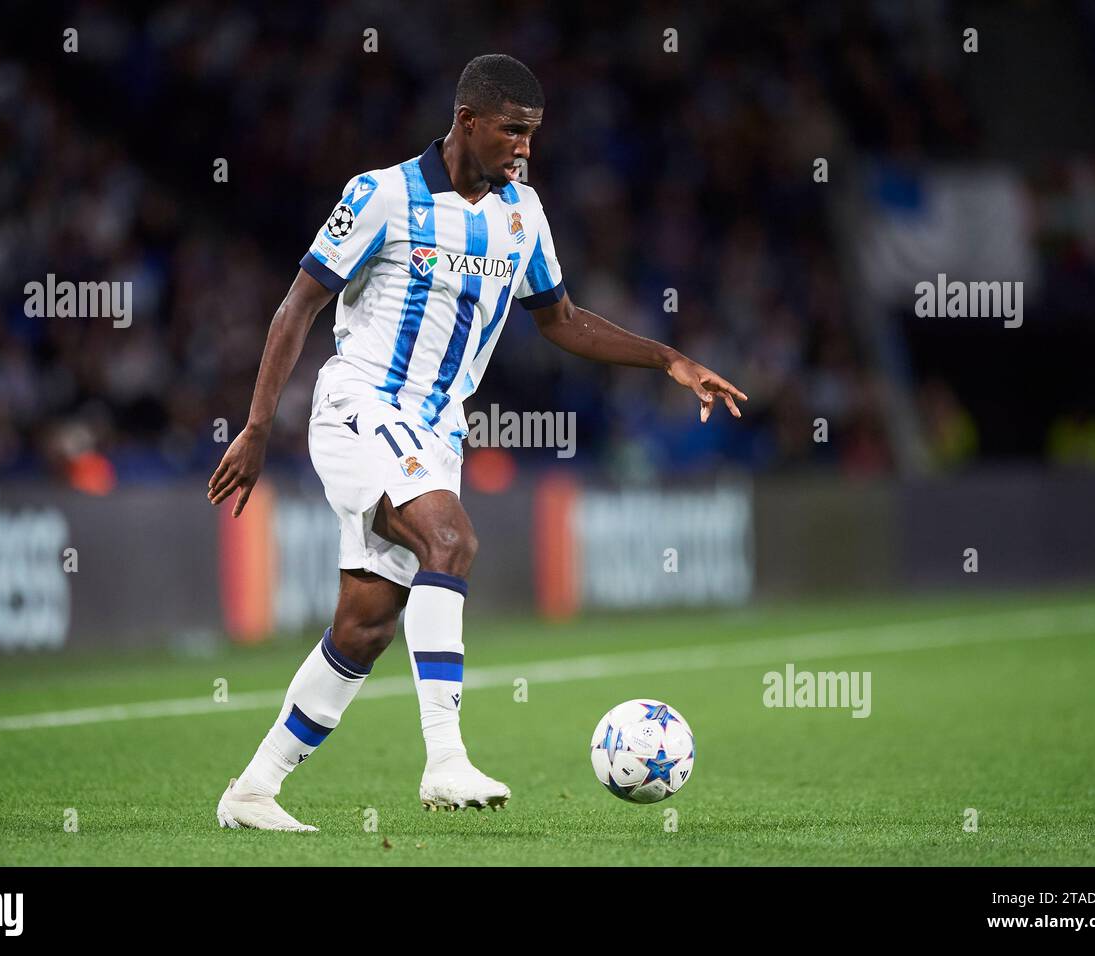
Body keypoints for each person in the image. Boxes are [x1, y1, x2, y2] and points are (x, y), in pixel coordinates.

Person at [208, 54, 746, 830]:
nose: (525, 149)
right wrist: (257, 427)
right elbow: (296, 308)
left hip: (436, 432)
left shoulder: (522, 214)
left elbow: (559, 318)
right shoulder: (382, 195)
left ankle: (251, 791)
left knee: (364, 625)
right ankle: (445, 758)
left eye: (533, 135)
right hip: (359, 403)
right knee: (451, 541)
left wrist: (669, 359)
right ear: (468, 122)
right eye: (512, 132)